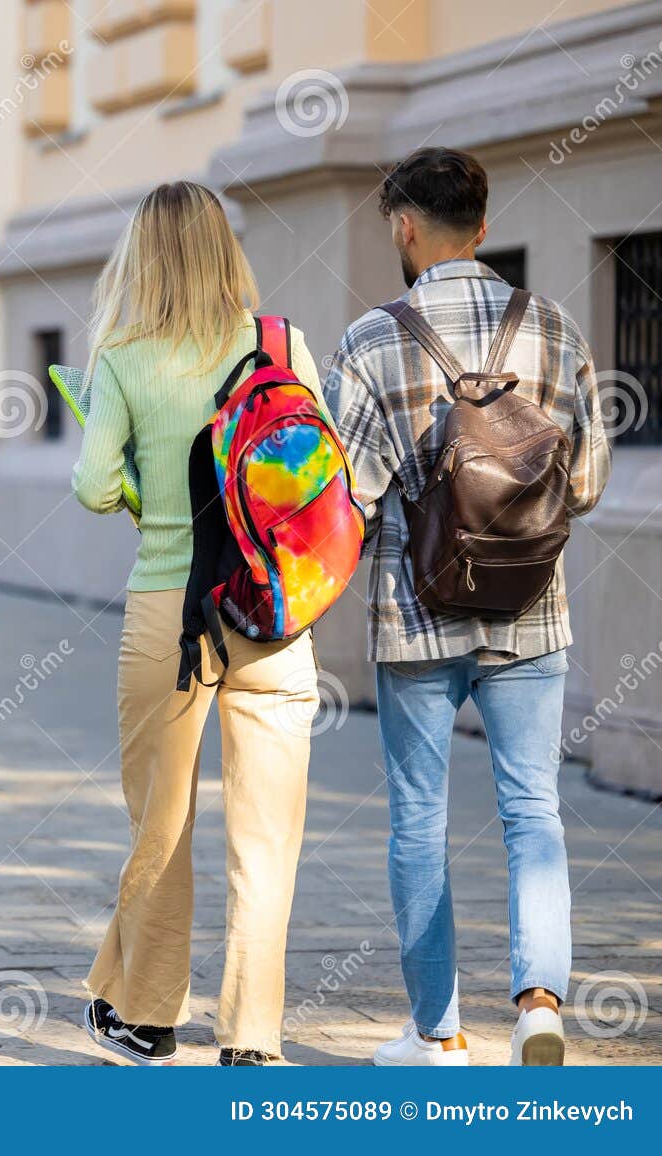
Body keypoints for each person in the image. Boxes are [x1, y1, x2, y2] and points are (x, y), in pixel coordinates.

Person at [324, 147, 610, 1067]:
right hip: (533, 608)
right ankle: (537, 1006)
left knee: (420, 816)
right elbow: (591, 480)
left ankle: (437, 1032)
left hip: (415, 614)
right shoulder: (557, 329)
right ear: (484, 226)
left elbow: (351, 495)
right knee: (534, 808)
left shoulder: (370, 339)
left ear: (405, 227)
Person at [72, 181, 323, 1067]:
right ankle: (252, 1039)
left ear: (144, 257)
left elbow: (95, 487)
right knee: (267, 836)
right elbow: (314, 474)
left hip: (169, 615)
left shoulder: (125, 359)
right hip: (274, 613)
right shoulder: (281, 345)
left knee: (161, 824)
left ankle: (146, 1015)